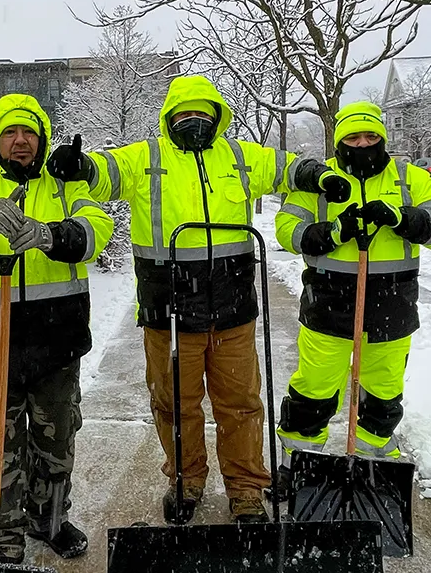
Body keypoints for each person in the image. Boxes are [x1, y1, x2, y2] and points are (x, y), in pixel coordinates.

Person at [45, 75, 350, 524]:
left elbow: (286, 168)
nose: (193, 121)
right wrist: (78, 164)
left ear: (216, 117)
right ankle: (186, 479)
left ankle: (246, 488)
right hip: (167, 308)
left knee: (241, 403)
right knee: (173, 403)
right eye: (184, 114)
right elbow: (105, 172)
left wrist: (318, 174)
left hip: (232, 309)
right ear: (170, 118)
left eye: (202, 114)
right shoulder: (147, 157)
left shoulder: (241, 156)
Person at [0, 93, 113, 564]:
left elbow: (97, 228)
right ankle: (1, 537)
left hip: (57, 337)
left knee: (56, 438)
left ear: (42, 139)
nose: (21, 141)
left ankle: (48, 522)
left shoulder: (65, 186)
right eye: (10, 132)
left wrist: (53, 235)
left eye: (29, 132)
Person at [272, 101, 431, 493]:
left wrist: (402, 218)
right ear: (340, 141)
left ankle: (374, 468)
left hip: (393, 303)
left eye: (371, 136)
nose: (363, 143)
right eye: (353, 137)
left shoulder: (409, 177)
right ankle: (299, 464)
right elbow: (288, 230)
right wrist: (334, 231)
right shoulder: (319, 180)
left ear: (382, 138)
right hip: (328, 302)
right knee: (314, 389)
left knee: (383, 392)